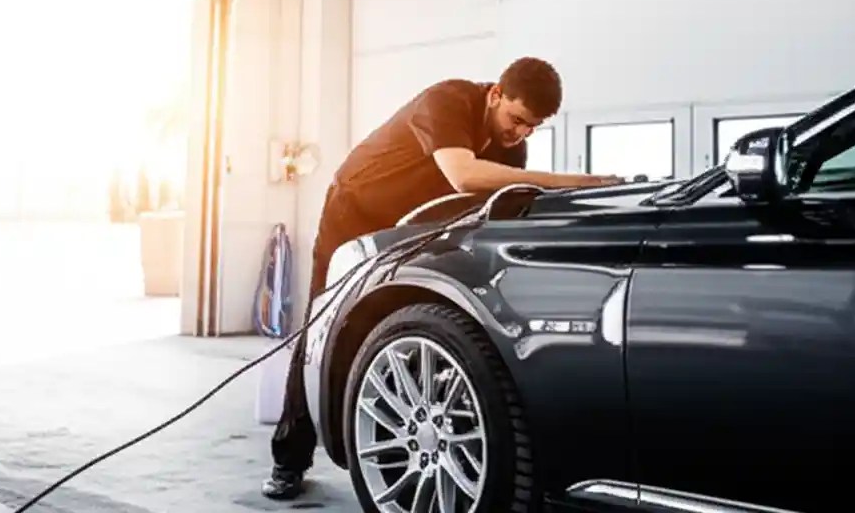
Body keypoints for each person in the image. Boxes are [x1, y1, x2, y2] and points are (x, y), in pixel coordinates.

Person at [261, 56, 622, 500]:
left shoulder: (511, 150)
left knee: (409, 329)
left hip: (412, 228)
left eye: (532, 128)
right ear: (495, 94)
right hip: (355, 213)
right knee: (322, 330)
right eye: (516, 120)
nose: (520, 134)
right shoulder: (448, 100)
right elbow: (462, 175)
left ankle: (395, 453)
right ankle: (289, 459)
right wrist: (570, 182)